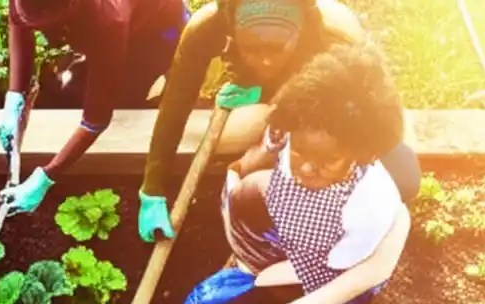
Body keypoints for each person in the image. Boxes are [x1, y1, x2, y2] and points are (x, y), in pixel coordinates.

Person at [143, 44, 410, 304]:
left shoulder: (370, 199)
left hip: (329, 277)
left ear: (360, 154)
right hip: (284, 250)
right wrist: (238, 192)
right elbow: (256, 162)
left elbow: (352, 270)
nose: (308, 169)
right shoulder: (288, 132)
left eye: (327, 163)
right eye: (301, 154)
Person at [138, 0, 422, 243]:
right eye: (251, 47)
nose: (264, 61)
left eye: (276, 48)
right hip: (282, 99)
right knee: (231, 136)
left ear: (299, 30)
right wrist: (152, 190)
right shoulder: (206, 28)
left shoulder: (333, 34)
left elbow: (380, 115)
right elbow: (175, 104)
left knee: (404, 179)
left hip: (328, 101)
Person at [0, 0, 191, 215]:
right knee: (70, 93)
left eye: (45, 26)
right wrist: (14, 97)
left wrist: (45, 177)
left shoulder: (110, 19)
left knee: (123, 98)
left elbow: (96, 120)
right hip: (103, 25)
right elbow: (18, 21)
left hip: (158, 30)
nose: (41, 32)